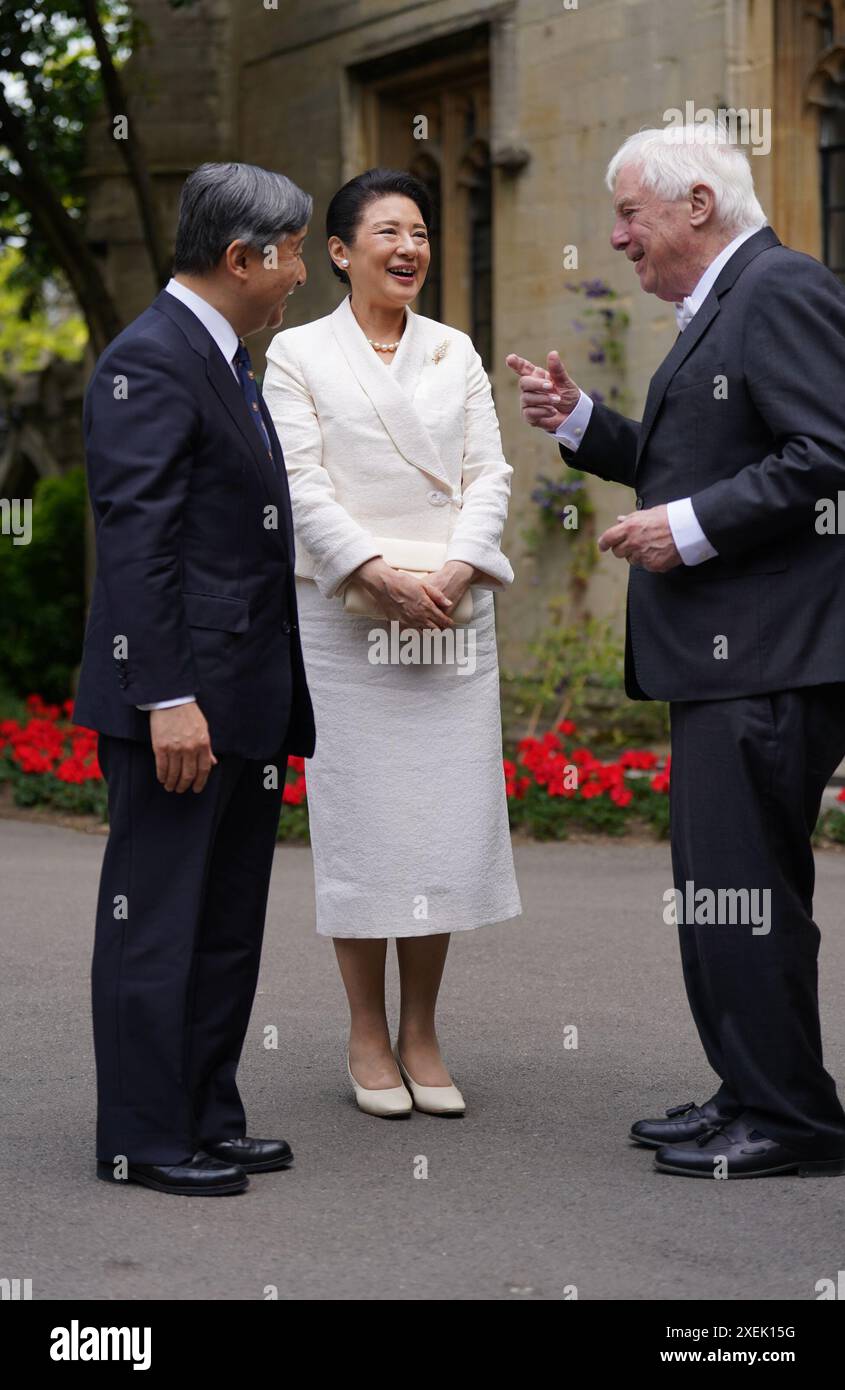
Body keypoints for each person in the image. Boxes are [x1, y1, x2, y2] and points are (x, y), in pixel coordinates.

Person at [508, 123, 845, 1178]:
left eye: (628, 214)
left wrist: (684, 527)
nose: (615, 238)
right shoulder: (726, 304)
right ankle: (749, 1090)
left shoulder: (778, 290)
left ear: (696, 205)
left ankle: (791, 1119)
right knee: (717, 896)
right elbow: (696, 455)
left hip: (767, 660)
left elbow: (827, 453)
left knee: (742, 896)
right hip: (729, 661)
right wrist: (580, 423)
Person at [74, 162, 316, 1194]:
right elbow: (139, 546)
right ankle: (141, 1135)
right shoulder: (152, 359)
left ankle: (205, 1112)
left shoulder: (221, 359)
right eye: (295, 252)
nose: (302, 272)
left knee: (222, 925)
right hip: (182, 701)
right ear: (240, 258)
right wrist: (167, 696)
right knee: (156, 921)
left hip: (244, 698)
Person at [263, 168, 521, 1119]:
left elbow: (487, 472)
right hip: (347, 617)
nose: (409, 247)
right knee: (369, 827)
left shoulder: (454, 350)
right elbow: (298, 483)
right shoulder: (295, 354)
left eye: (419, 232)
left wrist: (455, 570)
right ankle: (366, 1033)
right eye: (388, 232)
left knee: (440, 828)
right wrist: (373, 573)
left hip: (449, 614)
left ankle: (423, 1030)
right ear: (339, 252)